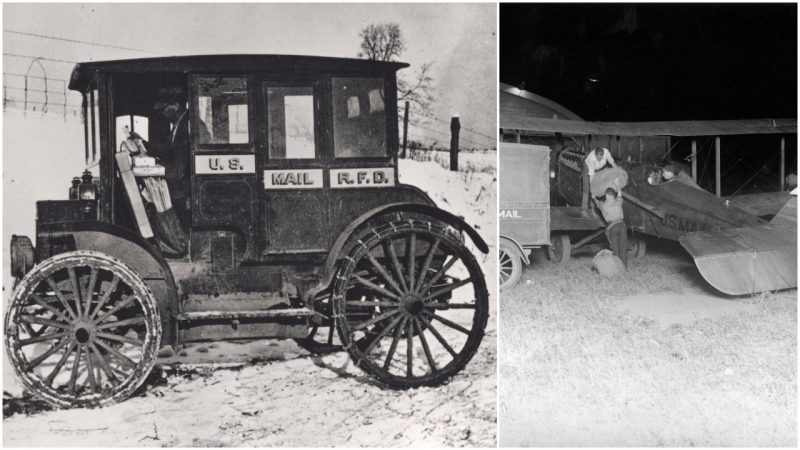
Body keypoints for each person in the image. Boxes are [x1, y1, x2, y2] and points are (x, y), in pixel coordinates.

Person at [595, 185, 627, 270]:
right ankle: (625, 268)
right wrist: (617, 185)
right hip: (622, 226)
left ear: (608, 195)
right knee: (623, 247)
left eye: (606, 195)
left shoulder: (604, 205)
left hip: (613, 227)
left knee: (615, 248)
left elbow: (597, 202)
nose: (605, 196)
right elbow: (620, 194)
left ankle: (618, 268)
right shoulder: (618, 202)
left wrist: (593, 197)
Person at [582, 147, 617, 216]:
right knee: (587, 190)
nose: (599, 159)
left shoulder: (606, 152)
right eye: (598, 157)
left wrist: (615, 167)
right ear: (595, 155)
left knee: (596, 190)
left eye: (601, 157)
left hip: (598, 169)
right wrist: (592, 187)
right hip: (587, 169)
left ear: (603, 155)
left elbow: (611, 161)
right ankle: (584, 210)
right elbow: (591, 175)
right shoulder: (592, 159)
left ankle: (593, 209)